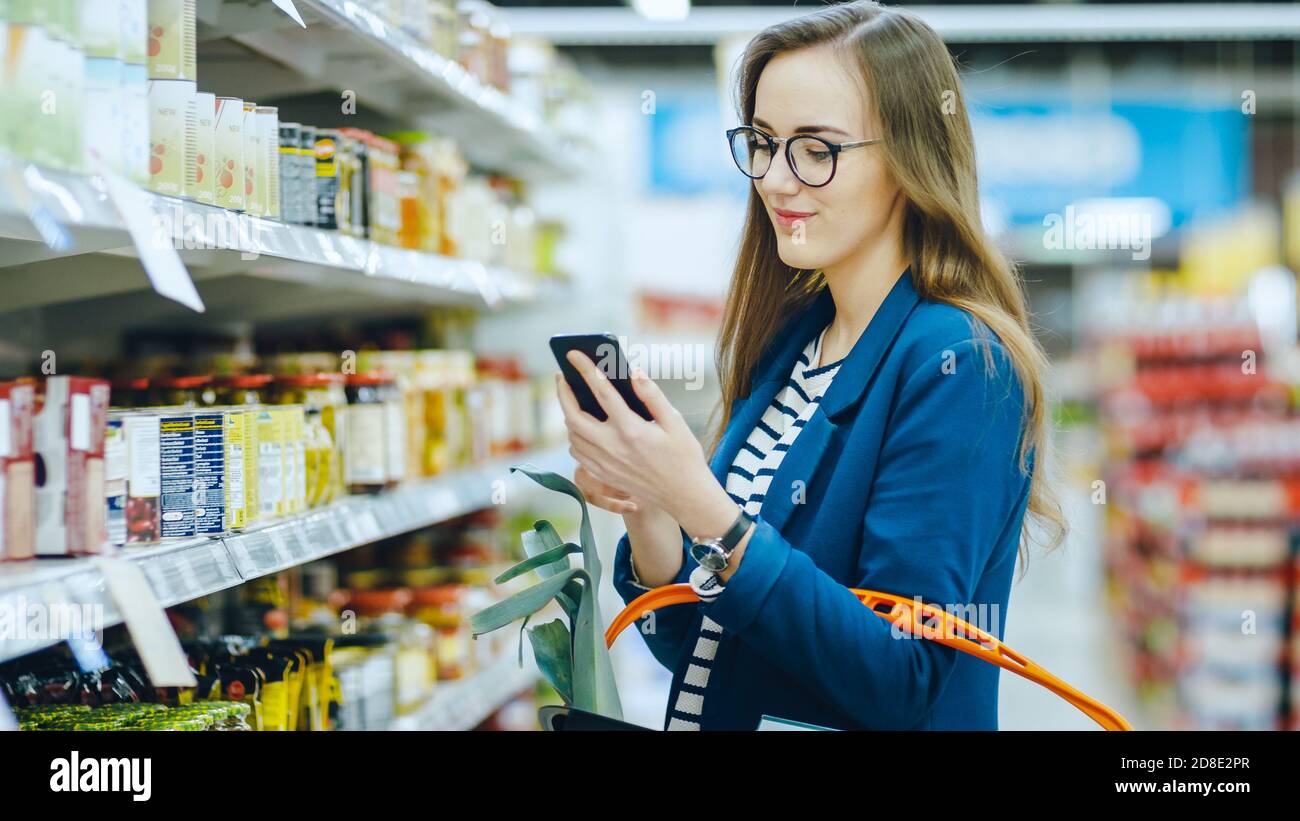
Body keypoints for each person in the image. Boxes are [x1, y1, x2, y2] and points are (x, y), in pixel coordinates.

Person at [555, 0, 1066, 731]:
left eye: (816, 149)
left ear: (909, 158)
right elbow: (708, 648)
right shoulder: (789, 346)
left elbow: (900, 676)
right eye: (762, 142)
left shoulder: (961, 365)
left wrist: (707, 509)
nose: (776, 179)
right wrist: (652, 508)